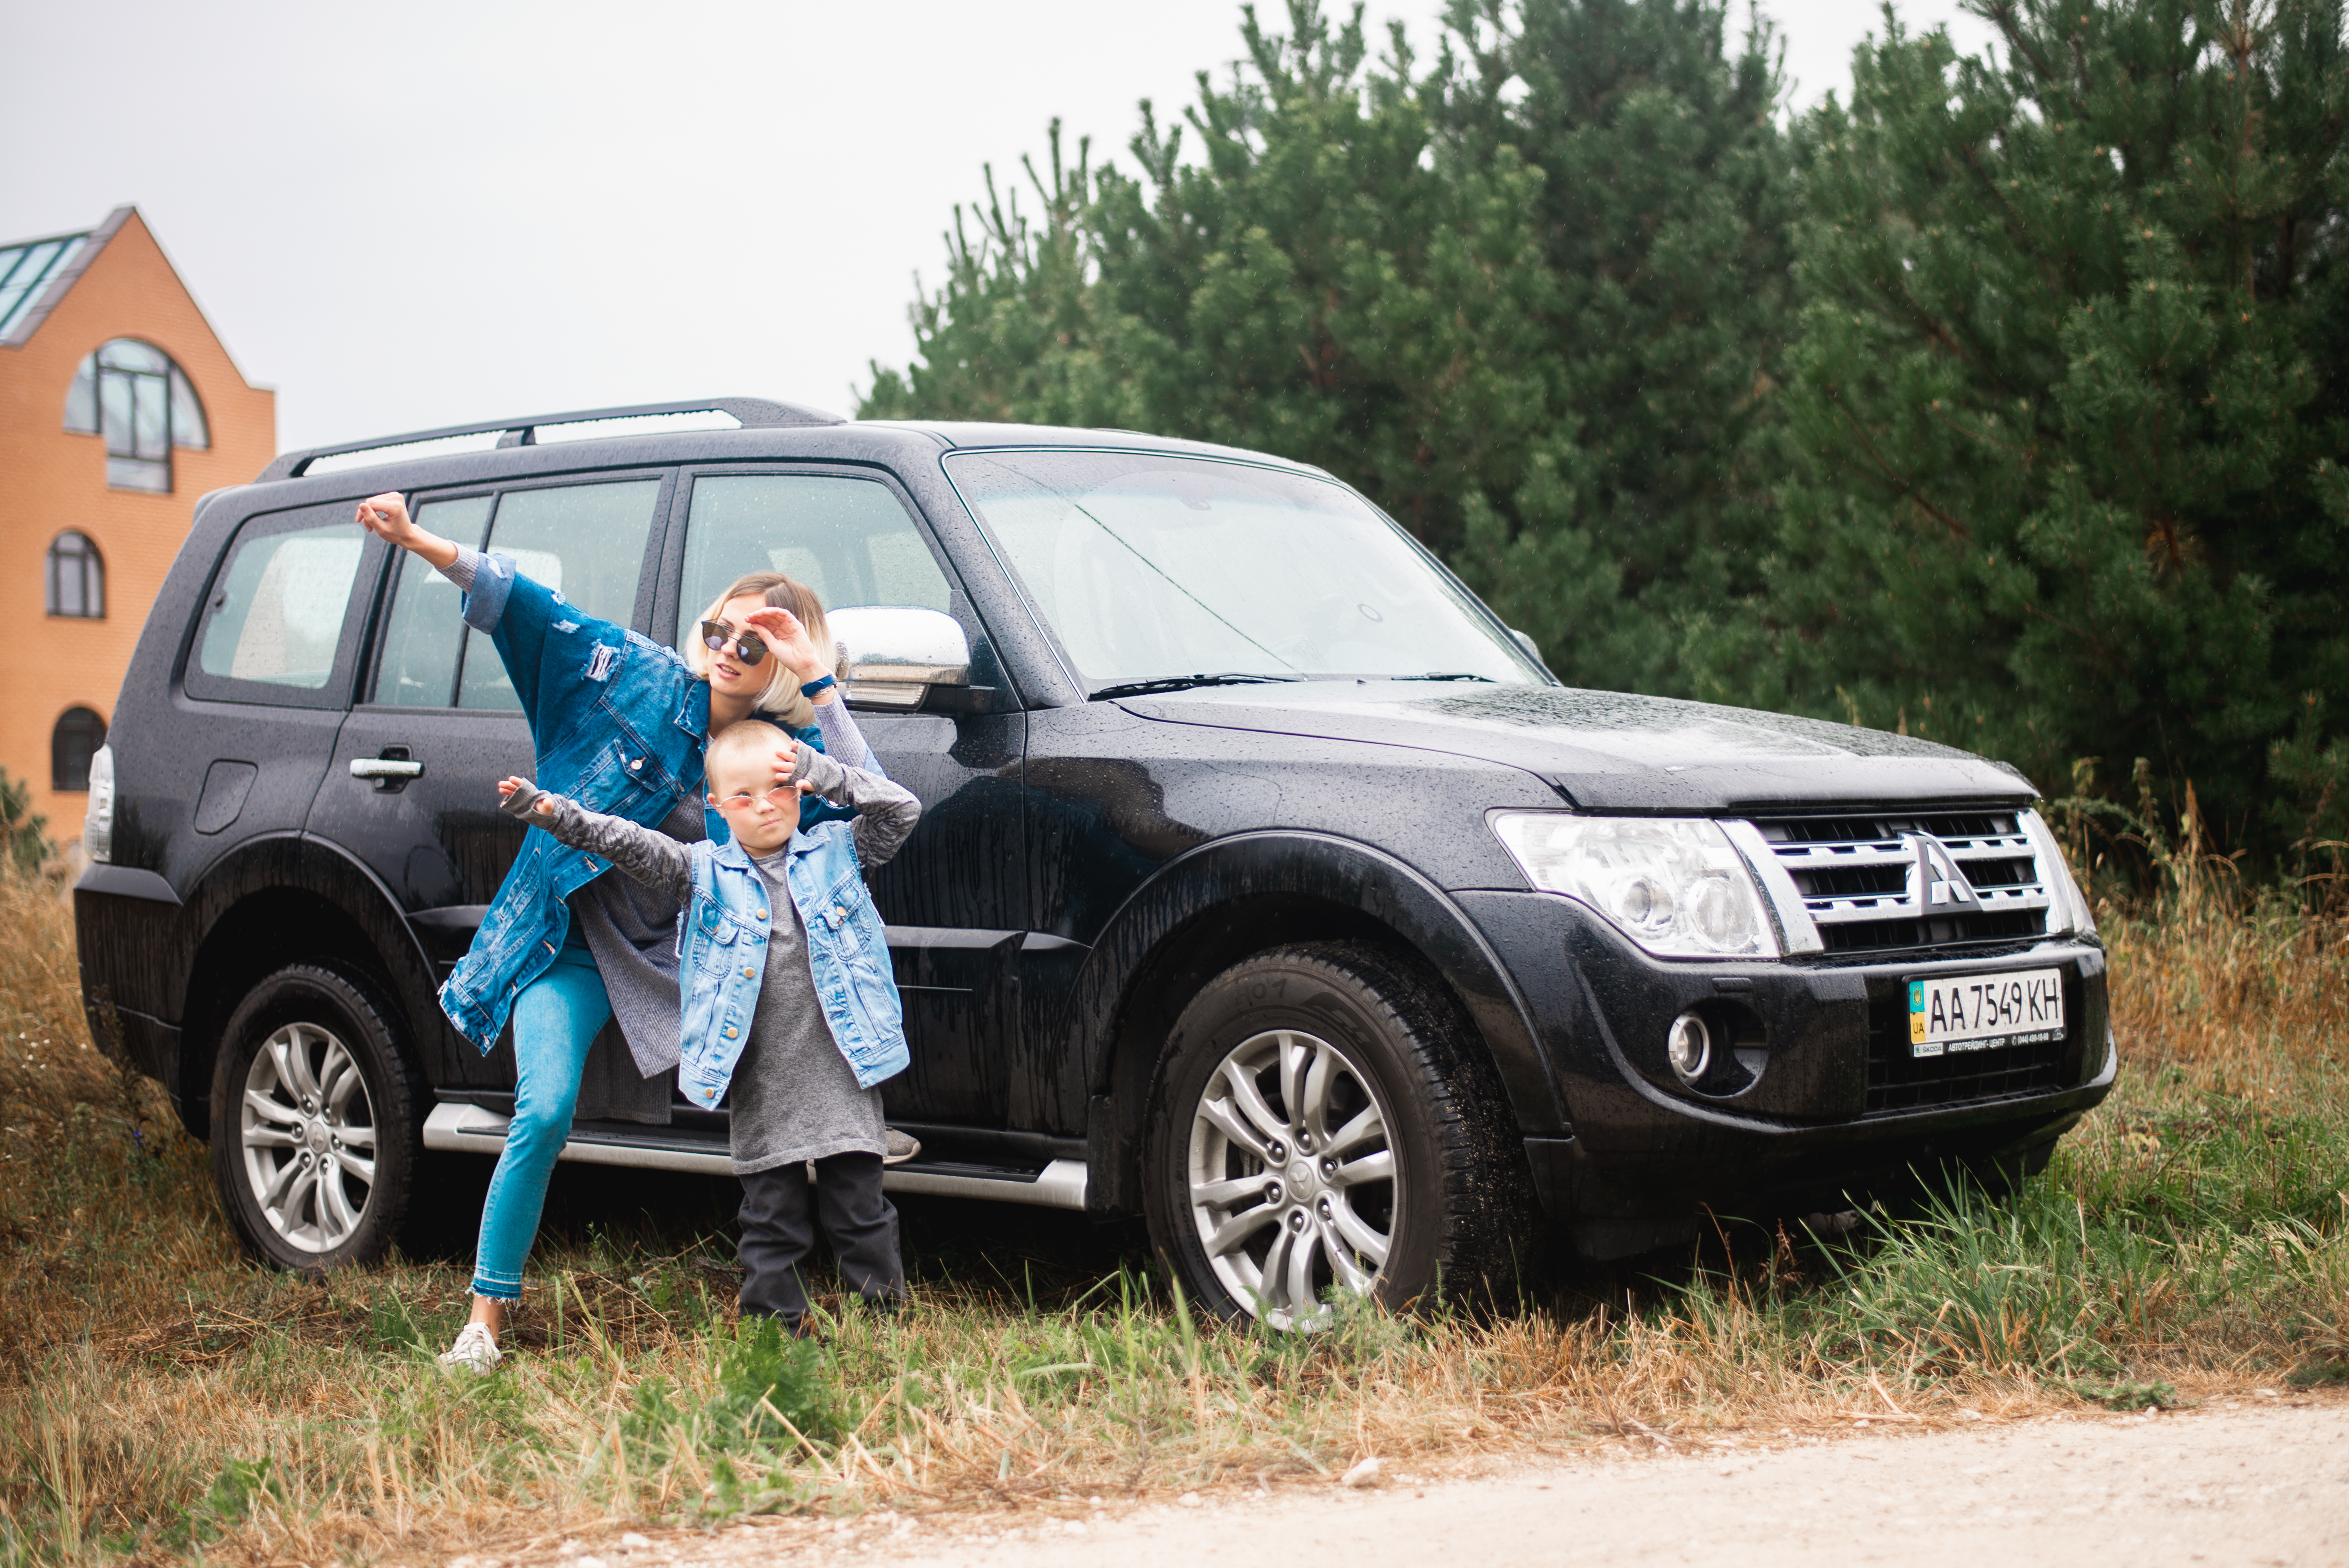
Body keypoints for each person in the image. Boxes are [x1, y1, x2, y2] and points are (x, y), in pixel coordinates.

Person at [352, 493, 895, 1374]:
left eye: (754, 645)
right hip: (566, 942)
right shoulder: (632, 675)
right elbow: (524, 603)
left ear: (781, 665)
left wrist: (823, 684)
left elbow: (878, 803)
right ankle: (485, 1321)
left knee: (781, 1082)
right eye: (720, 630)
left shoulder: (775, 753)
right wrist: (415, 538)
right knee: (544, 1107)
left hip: (671, 966)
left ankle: (820, 1282)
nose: (727, 650)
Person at [496, 716, 919, 1333]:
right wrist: (554, 812)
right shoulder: (701, 871)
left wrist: (818, 768)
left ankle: (883, 1326)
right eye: (742, 796)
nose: (764, 806)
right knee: (772, 1219)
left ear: (800, 791)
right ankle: (778, 1334)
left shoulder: (840, 851)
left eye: (778, 788)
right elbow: (627, 842)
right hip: (763, 1081)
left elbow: (902, 810)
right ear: (716, 806)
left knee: (859, 1209)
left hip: (842, 1071)